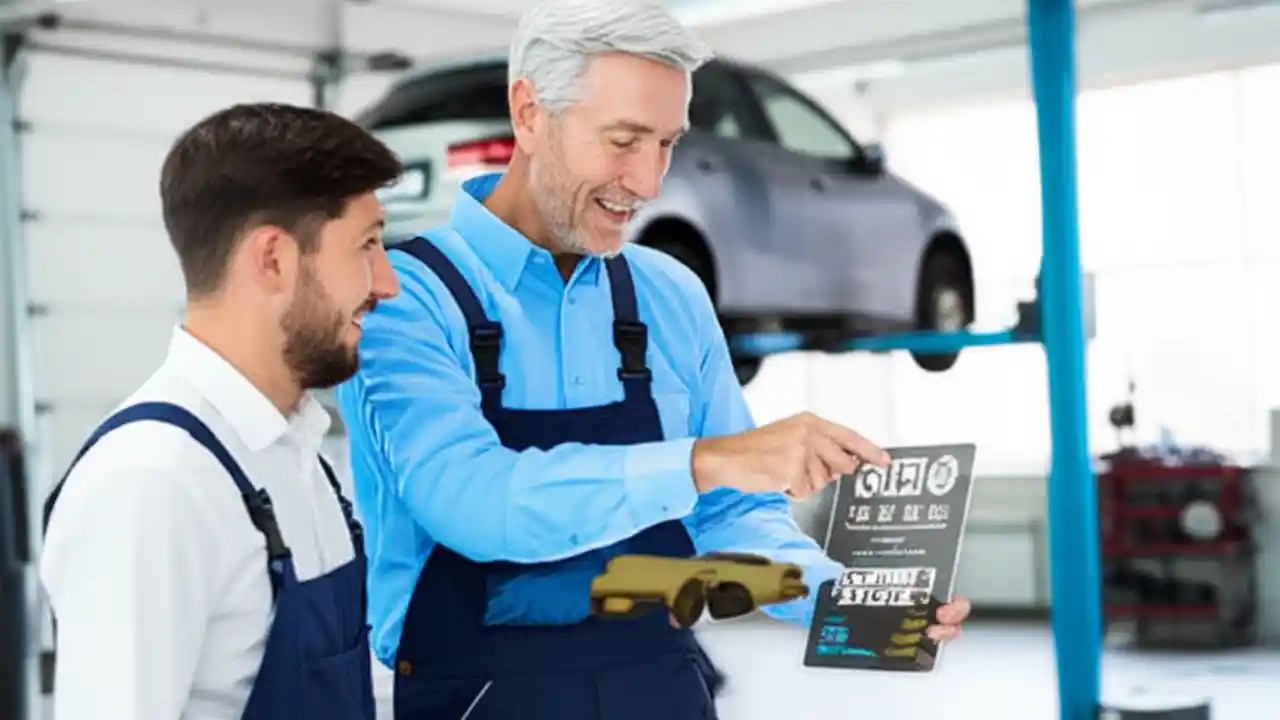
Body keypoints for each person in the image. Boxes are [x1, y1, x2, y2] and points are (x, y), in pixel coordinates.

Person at [336, 1, 970, 717]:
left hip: (660, 691)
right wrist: (711, 460)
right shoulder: (403, 299)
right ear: (529, 113)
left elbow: (731, 517)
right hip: (482, 701)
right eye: (624, 140)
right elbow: (474, 501)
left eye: (667, 143)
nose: (648, 182)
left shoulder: (669, 293)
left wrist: (850, 604)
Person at [39, 102, 402, 720]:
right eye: (366, 245)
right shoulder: (153, 483)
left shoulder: (296, 456)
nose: (386, 281)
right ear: (273, 260)